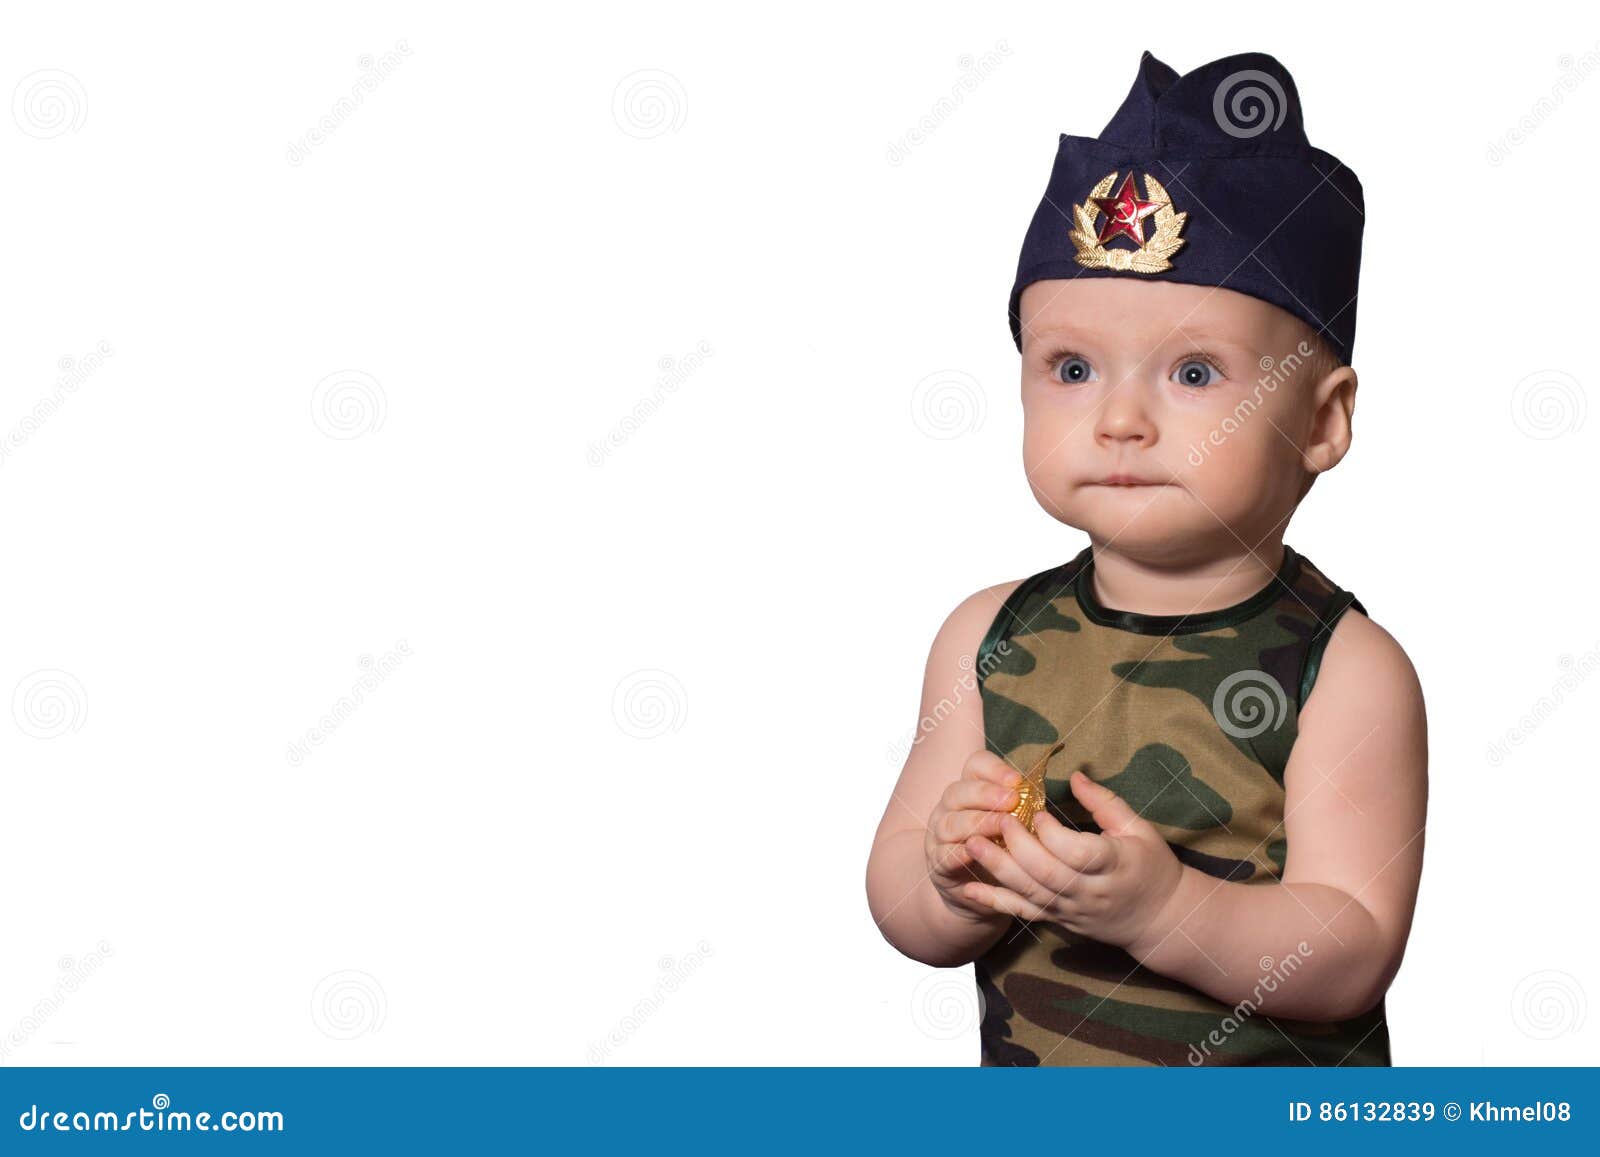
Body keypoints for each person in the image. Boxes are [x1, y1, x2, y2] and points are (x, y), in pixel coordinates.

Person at [865, 50, 1427, 1066]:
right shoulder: (987, 637)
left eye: (1195, 371)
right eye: (1071, 368)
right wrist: (951, 880)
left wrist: (1164, 908)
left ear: (1320, 420)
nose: (1120, 418)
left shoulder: (1342, 667)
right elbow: (904, 906)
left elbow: (1353, 945)